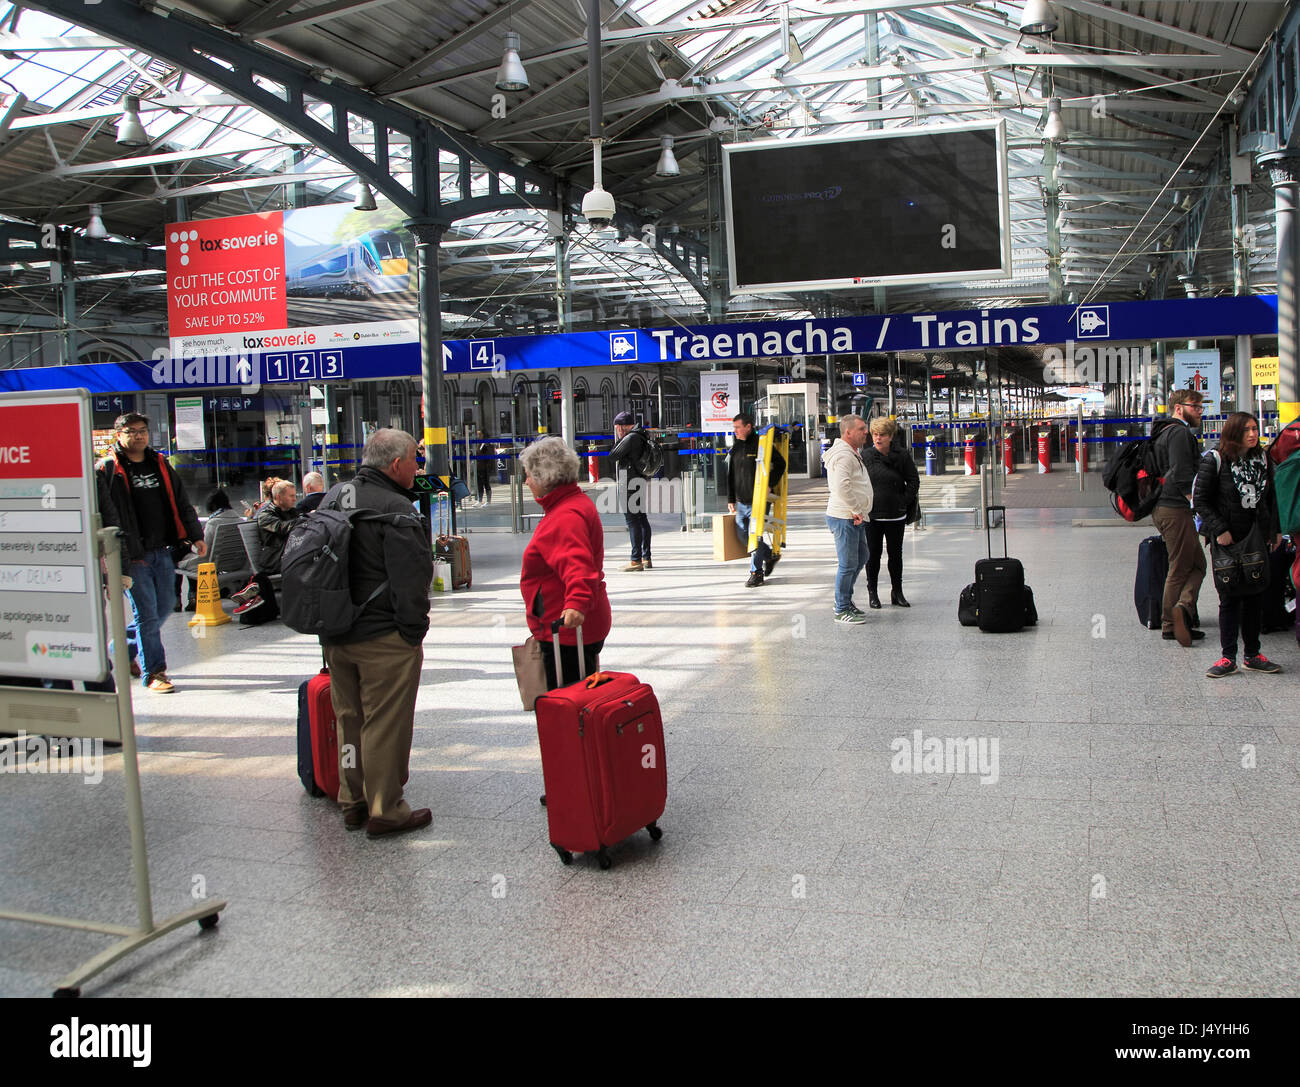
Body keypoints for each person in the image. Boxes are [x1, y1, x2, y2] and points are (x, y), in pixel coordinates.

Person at [318, 428, 433, 838]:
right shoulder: (397, 508)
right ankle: (386, 808)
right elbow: (411, 578)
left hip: (336, 634)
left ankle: (353, 801)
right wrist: (412, 630)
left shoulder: (333, 496)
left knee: (348, 718)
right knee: (385, 721)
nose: (418, 468)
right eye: (414, 461)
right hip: (383, 636)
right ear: (396, 465)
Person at [97, 412, 206, 693]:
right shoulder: (107, 469)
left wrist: (195, 535)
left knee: (164, 605)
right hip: (132, 554)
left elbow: (181, 500)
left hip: (162, 548)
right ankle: (155, 672)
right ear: (118, 435)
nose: (138, 435)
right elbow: (105, 515)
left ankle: (123, 648)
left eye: (142, 430)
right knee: (146, 613)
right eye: (131, 431)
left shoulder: (159, 464)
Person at [1192, 411, 1285, 678]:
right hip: (1228, 539)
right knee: (1230, 596)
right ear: (1234, 433)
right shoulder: (1216, 460)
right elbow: (1200, 500)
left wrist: (1274, 530)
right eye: (1246, 430)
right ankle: (1227, 657)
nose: (1253, 434)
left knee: (1256, 594)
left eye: (1255, 428)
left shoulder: (1263, 459)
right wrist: (1219, 529)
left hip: (1257, 536)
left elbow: (1270, 498)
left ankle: (1253, 654)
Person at [519, 437, 611, 689]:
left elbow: (578, 565)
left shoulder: (564, 516)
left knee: (569, 704)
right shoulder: (574, 503)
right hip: (581, 624)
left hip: (566, 630)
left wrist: (576, 604)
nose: (526, 481)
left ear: (543, 477)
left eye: (528, 475)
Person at [1151, 389, 1208, 646]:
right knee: (1181, 567)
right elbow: (1182, 473)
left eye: (1200, 407)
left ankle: (1182, 612)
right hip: (1175, 508)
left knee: (1196, 564)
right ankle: (1171, 621)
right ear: (1178, 408)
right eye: (1194, 406)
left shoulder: (1164, 431)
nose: (1199, 411)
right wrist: (1196, 504)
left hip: (1166, 507)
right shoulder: (1180, 433)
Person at [862, 417, 920, 609]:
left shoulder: (901, 455)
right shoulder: (866, 455)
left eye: (882, 435)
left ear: (891, 436)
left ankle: (897, 592)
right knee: (873, 555)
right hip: (873, 515)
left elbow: (913, 481)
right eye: (875, 434)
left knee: (896, 555)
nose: (878, 438)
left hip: (896, 514)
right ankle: (873, 593)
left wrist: (902, 501)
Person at [824, 415, 874, 623]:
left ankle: (846, 601)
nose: (866, 432)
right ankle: (841, 607)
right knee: (847, 564)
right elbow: (841, 486)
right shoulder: (844, 455)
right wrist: (856, 509)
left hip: (853, 515)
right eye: (862, 429)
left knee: (862, 557)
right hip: (846, 517)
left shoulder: (851, 452)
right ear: (848, 432)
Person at [727, 413, 786, 588]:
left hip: (758, 501)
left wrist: (771, 484)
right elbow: (731, 474)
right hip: (741, 501)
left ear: (748, 426)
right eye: (734, 428)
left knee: (755, 535)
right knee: (742, 533)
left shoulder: (761, 444)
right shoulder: (736, 447)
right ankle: (769, 555)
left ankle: (756, 573)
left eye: (738, 427)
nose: (735, 431)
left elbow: (781, 464)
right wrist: (731, 498)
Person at [232, 480, 300, 617]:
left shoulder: (293, 512)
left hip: (288, 555)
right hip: (274, 559)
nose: (295, 499)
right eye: (291, 496)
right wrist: (305, 520)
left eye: (294, 495)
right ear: (279, 497)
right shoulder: (266, 515)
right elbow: (282, 528)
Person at [177, 490, 243, 611]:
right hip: (235, 563)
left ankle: (181, 598)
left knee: (178, 555)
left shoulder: (213, 523)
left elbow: (203, 549)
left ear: (212, 506)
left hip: (213, 564)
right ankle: (192, 596)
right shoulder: (240, 520)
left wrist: (191, 545)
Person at [609, 411, 652, 571]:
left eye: (618, 428)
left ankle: (636, 560)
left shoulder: (630, 438)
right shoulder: (642, 435)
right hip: (639, 480)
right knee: (641, 518)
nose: (617, 431)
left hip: (629, 483)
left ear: (622, 426)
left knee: (633, 521)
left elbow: (613, 455)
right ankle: (646, 557)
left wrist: (620, 439)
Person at [475, 430, 495, 505]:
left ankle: (488, 500)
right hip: (479, 466)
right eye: (477, 435)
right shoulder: (479, 444)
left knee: (486, 483)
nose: (478, 436)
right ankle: (480, 500)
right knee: (479, 483)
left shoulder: (486, 444)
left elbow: (488, 455)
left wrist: (488, 466)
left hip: (485, 466)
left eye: (480, 434)